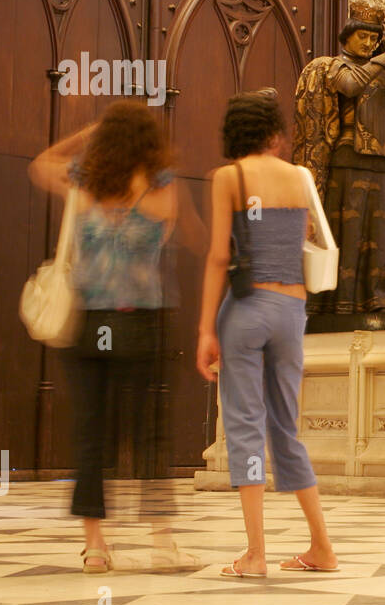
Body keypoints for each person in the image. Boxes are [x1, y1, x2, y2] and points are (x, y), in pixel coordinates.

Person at [29, 100, 188, 573]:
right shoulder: (162, 187)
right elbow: (167, 233)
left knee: (90, 432)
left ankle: (96, 546)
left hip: (87, 322)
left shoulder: (82, 180)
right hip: (138, 319)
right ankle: (162, 542)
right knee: (148, 434)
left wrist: (88, 132)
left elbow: (40, 165)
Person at [197, 89, 338, 577]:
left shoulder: (228, 177)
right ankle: (322, 546)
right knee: (286, 430)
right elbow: (304, 240)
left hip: (247, 307)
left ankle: (255, 554)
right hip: (292, 310)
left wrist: (204, 330)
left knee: (244, 427)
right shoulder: (301, 177)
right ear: (274, 134)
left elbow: (219, 255)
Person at [292, 1, 385, 314]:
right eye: (362, 36)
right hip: (347, 162)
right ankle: (339, 302)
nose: (368, 43)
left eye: (373, 39)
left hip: (381, 164)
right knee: (346, 235)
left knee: (377, 238)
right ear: (346, 37)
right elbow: (349, 85)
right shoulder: (333, 65)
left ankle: (376, 299)